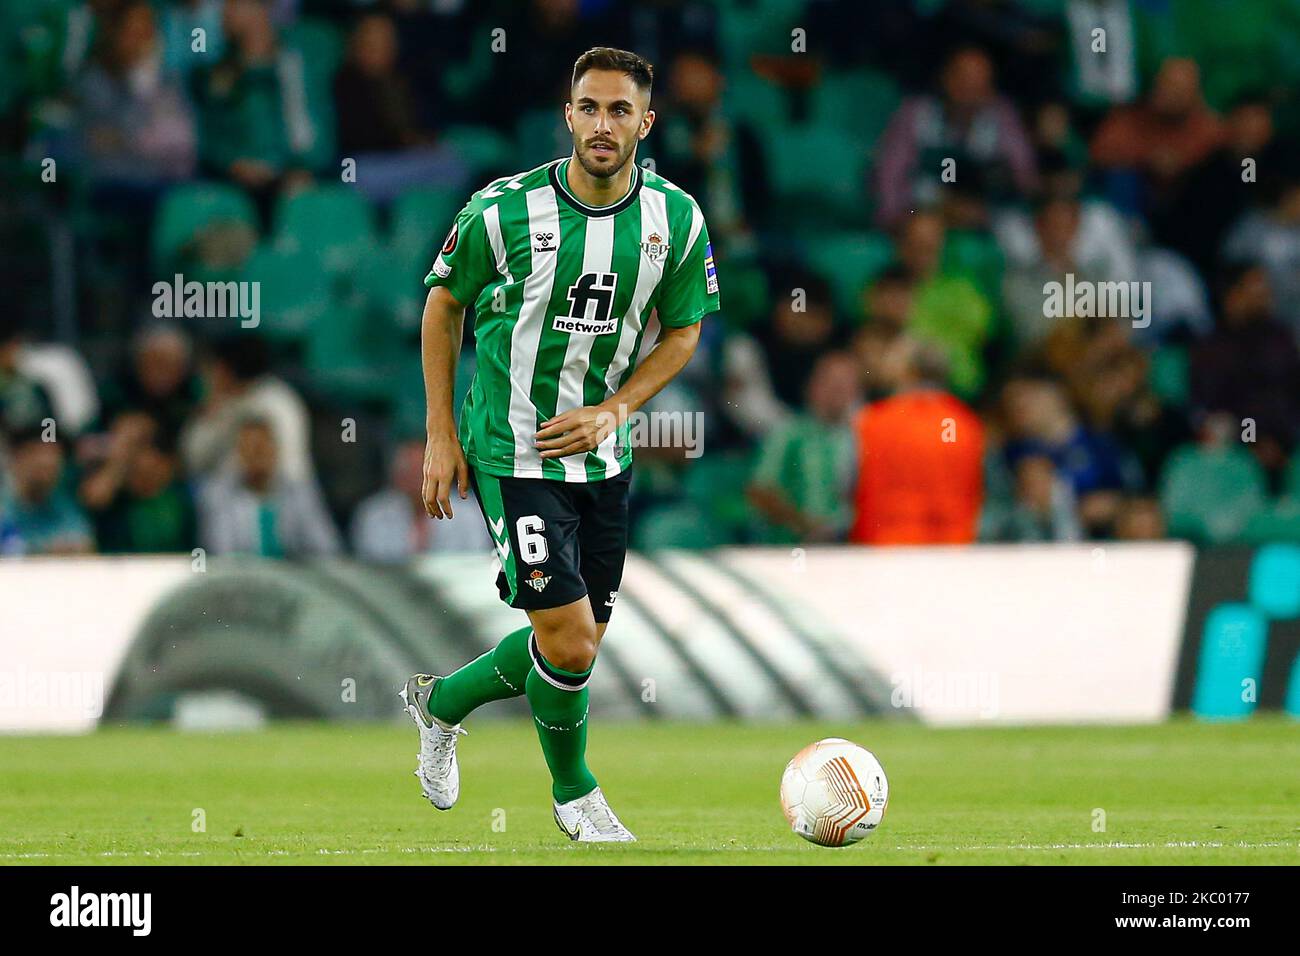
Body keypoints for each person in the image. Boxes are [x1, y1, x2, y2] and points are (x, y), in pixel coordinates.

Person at [400, 48, 718, 842]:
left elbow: (683, 332)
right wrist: (441, 433)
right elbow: (443, 307)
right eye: (589, 107)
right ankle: (576, 797)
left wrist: (616, 407)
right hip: (513, 450)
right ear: (567, 114)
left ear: (646, 122)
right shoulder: (503, 211)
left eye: (619, 111)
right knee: (570, 641)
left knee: (569, 652)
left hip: (603, 460)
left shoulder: (675, 220)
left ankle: (439, 704)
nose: (602, 124)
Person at [849, 336, 984, 545]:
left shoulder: (872, 422)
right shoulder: (967, 425)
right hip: (954, 549)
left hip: (887, 549)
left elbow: (847, 484)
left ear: (906, 370)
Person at [747, 351, 859, 543]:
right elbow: (761, 491)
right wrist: (802, 525)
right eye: (830, 382)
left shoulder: (860, 435)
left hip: (848, 545)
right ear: (812, 386)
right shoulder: (789, 432)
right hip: (795, 545)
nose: (837, 390)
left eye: (845, 384)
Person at [196, 417, 340, 557]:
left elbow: (326, 550)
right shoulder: (218, 495)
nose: (255, 456)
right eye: (248, 448)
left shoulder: (299, 493)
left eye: (261, 448)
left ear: (275, 450)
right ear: (238, 453)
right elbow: (220, 553)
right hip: (239, 578)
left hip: (290, 578)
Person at [351, 438, 490, 561]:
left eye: (420, 471)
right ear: (396, 476)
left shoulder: (469, 512)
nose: (415, 479)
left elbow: (477, 562)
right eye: (407, 471)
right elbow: (368, 566)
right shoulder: (373, 514)